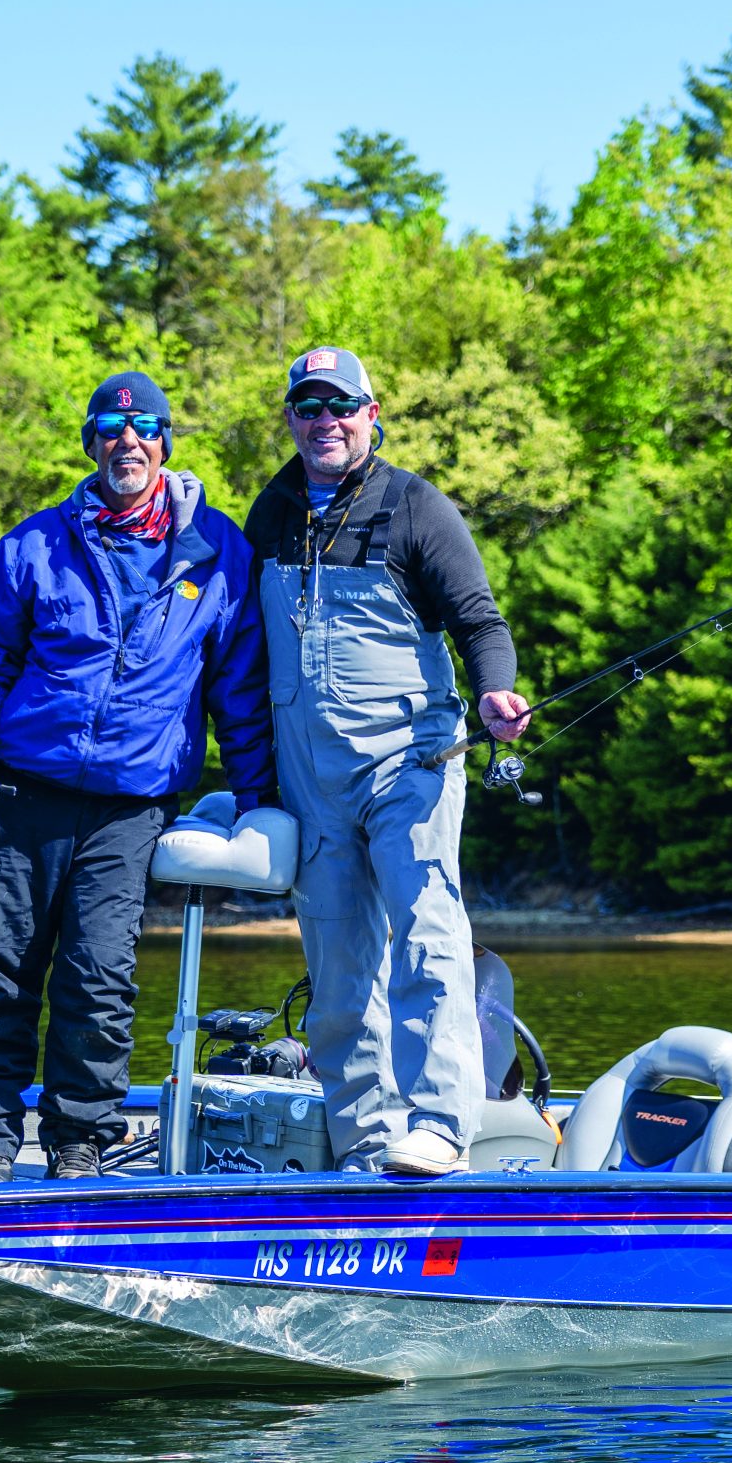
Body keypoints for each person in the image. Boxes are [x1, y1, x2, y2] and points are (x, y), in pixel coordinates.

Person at [0, 372, 274, 1182]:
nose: (129, 443)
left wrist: (264, 800)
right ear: (91, 443)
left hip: (132, 807)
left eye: (146, 430)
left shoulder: (218, 551)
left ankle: (79, 1138)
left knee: (98, 977)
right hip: (20, 789)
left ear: (165, 443)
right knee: (3, 966)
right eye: (112, 430)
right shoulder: (33, 543)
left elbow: (238, 689)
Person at [243, 346, 532, 1175]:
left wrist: (493, 695)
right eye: (307, 406)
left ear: (372, 414)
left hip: (412, 761)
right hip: (310, 778)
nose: (323, 421)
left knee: (427, 934)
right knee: (336, 965)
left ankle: (443, 1123)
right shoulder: (272, 511)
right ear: (292, 417)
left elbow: (480, 623)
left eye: (340, 406)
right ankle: (366, 1144)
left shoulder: (417, 508)